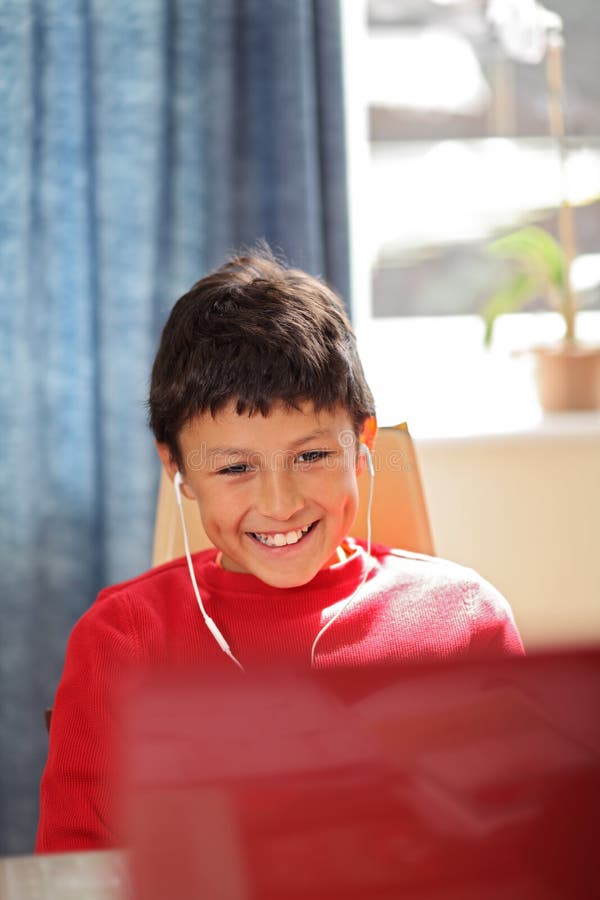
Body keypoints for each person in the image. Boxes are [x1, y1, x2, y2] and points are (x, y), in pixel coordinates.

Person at [36, 249, 523, 852]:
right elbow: (79, 872)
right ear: (177, 468)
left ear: (361, 443)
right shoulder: (121, 639)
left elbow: (521, 846)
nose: (281, 503)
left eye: (312, 456)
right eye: (236, 467)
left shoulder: (464, 620)